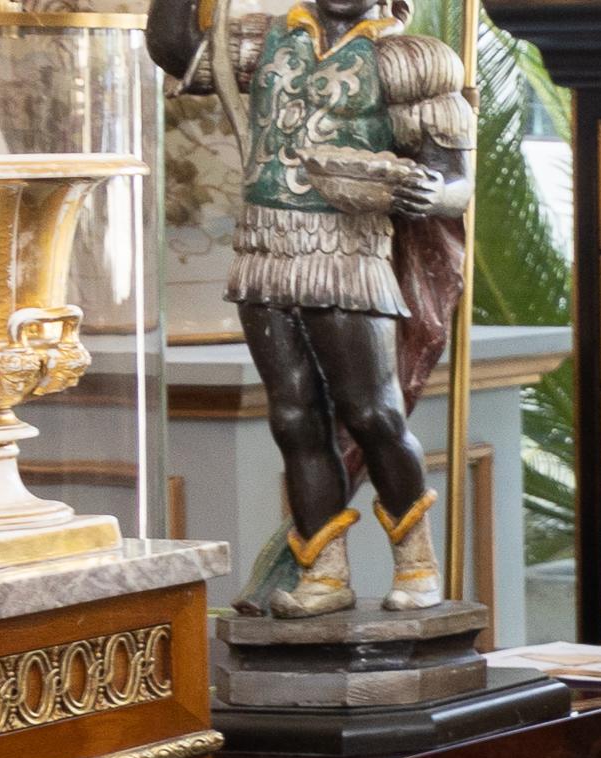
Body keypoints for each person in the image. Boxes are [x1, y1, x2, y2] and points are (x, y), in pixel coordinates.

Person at [145, 0, 472, 615]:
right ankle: (323, 571)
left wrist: (432, 191)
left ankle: (416, 563)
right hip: (264, 249)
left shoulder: (412, 59)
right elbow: (174, 49)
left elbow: (455, 183)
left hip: (348, 252)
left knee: (372, 412)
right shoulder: (263, 39)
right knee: (294, 417)